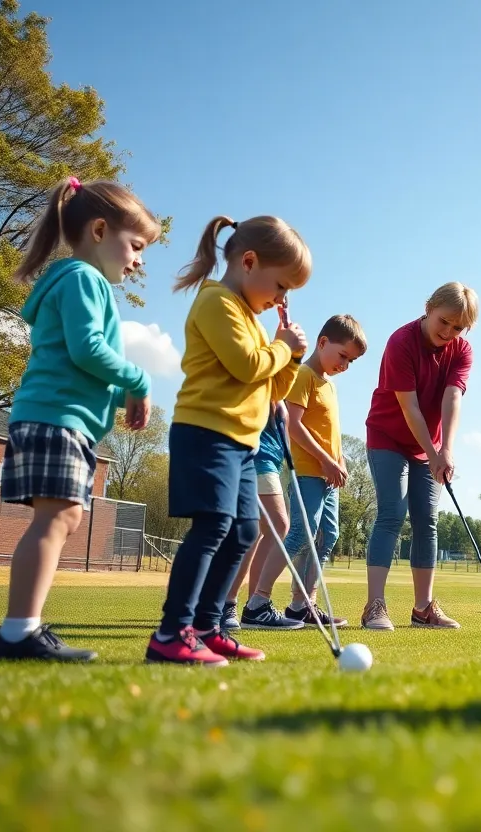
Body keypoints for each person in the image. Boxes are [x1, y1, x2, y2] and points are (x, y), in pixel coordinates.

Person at [0, 178, 159, 662]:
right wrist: (139, 381)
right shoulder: (84, 280)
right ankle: (18, 632)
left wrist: (124, 390)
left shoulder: (77, 280)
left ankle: (22, 629)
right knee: (57, 517)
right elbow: (88, 350)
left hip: (60, 420)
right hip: (55, 419)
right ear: (100, 230)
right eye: (136, 245)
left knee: (64, 517)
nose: (139, 259)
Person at [146, 215, 311, 666]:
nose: (281, 299)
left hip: (242, 442)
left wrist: (292, 360)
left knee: (242, 531)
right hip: (205, 432)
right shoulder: (216, 302)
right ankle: (170, 632)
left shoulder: (253, 321)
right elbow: (245, 365)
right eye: (279, 287)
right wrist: (282, 347)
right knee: (213, 527)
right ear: (249, 261)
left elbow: (271, 390)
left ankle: (207, 627)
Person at [361, 282, 478, 631]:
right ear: (428, 307)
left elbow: (452, 399)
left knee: (427, 520)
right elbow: (408, 406)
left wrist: (446, 451)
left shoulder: (461, 350)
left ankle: (424, 609)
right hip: (387, 437)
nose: (449, 332)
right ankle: (374, 606)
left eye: (458, 327)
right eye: (444, 321)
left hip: (429, 443)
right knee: (392, 515)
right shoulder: (402, 341)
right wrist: (433, 452)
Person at [245, 314, 367, 628]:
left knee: (328, 536)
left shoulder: (330, 386)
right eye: (343, 356)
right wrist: (326, 460)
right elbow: (294, 426)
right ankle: (258, 601)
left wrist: (339, 460)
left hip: (329, 476)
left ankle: (301, 605)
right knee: (300, 534)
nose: (345, 365)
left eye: (351, 362)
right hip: (308, 472)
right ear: (322, 342)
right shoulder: (304, 376)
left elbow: (329, 429)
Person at [221, 403, 300, 631]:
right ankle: (245, 605)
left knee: (253, 532)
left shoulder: (280, 392)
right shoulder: (265, 382)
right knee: (278, 524)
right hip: (257, 459)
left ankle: (247, 606)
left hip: (270, 462)